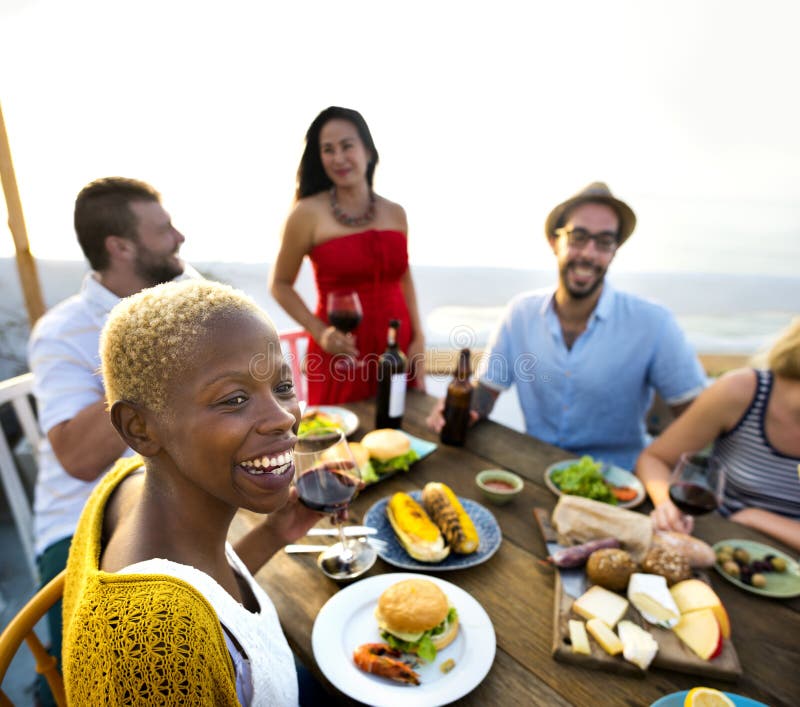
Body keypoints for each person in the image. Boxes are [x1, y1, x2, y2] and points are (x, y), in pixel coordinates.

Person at [62, 279, 322, 705]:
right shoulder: (152, 650)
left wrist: (274, 534)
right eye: (234, 399)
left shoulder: (135, 483)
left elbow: (213, 601)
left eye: (282, 386)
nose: (283, 418)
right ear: (139, 428)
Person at [27, 176, 197, 703]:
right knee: (109, 681)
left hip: (178, 500)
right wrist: (146, 352)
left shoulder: (182, 292)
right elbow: (76, 458)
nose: (180, 238)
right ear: (120, 248)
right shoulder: (62, 332)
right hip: (81, 521)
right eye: (164, 229)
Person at [427, 182, 706, 470]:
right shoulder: (521, 314)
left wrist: (658, 465)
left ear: (614, 251)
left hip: (620, 483)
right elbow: (485, 391)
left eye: (604, 242)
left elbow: (698, 415)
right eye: (578, 237)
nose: (588, 253)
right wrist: (458, 407)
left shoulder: (654, 323)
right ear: (554, 241)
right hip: (536, 470)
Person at [270, 106, 425, 404]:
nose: (338, 158)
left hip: (397, 348)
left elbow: (403, 275)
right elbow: (279, 283)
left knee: (401, 438)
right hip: (341, 350)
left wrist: (419, 337)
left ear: (367, 150)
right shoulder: (306, 214)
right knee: (340, 441)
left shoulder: (396, 213)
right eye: (328, 150)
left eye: (347, 146)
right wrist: (320, 332)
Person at [636, 319, 800, 551]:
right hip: (715, 542)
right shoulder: (743, 392)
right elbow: (654, 459)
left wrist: (756, 518)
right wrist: (666, 505)